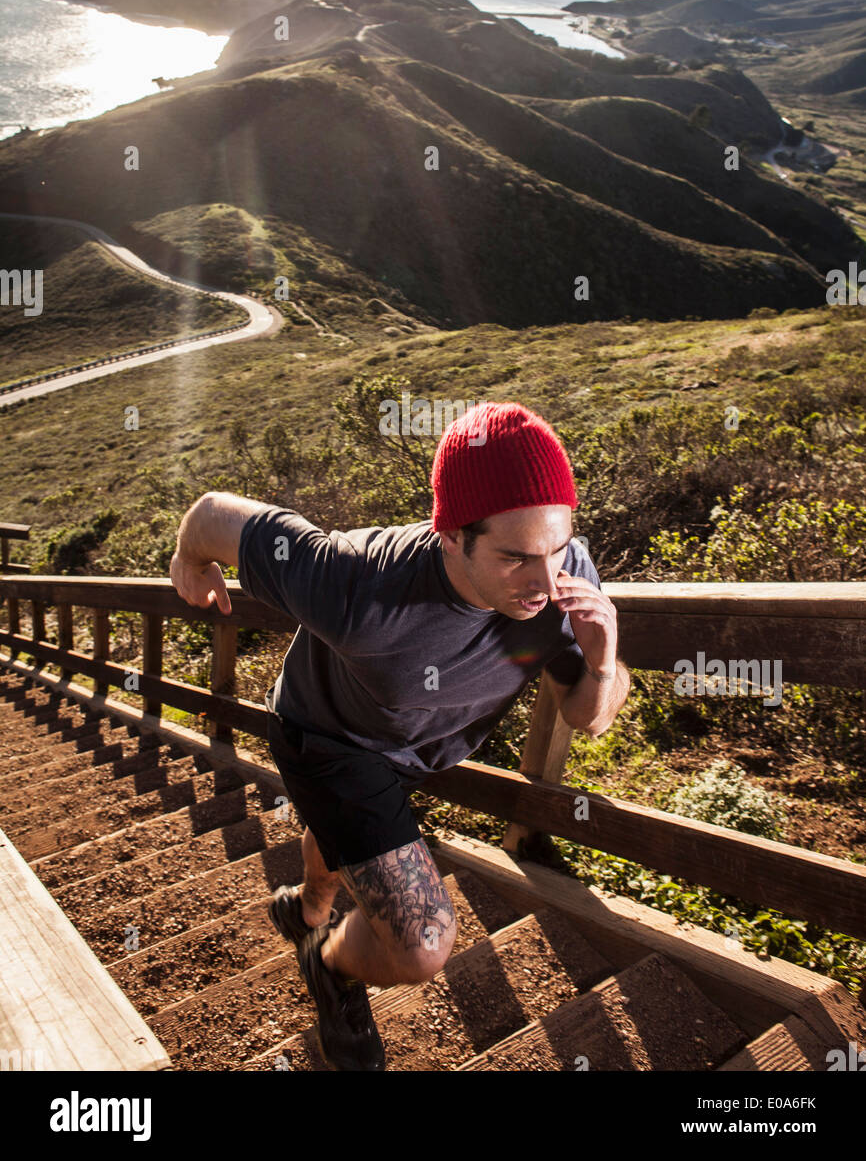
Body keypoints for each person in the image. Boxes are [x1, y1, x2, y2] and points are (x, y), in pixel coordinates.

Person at [169, 401, 630, 1071]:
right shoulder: (358, 583)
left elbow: (591, 716)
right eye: (516, 559)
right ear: (450, 535)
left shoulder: (566, 575)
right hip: (323, 739)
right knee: (421, 942)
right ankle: (328, 965)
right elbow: (214, 514)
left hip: (414, 750)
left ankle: (308, 906)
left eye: (559, 549)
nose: (545, 583)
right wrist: (189, 556)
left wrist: (602, 658)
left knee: (347, 843)